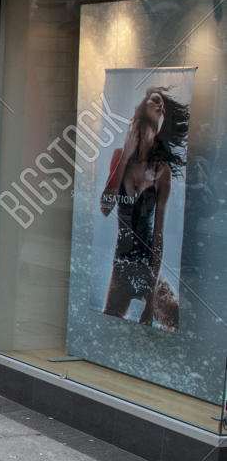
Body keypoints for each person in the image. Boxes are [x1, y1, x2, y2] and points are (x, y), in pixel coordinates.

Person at [100, 86, 189, 331]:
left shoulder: (162, 171)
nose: (160, 106)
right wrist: (126, 155)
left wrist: (150, 302)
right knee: (108, 328)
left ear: (163, 121)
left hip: (147, 268)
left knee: (173, 321)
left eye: (163, 107)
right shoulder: (120, 157)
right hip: (121, 268)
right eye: (155, 100)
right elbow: (105, 208)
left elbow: (158, 235)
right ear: (141, 107)